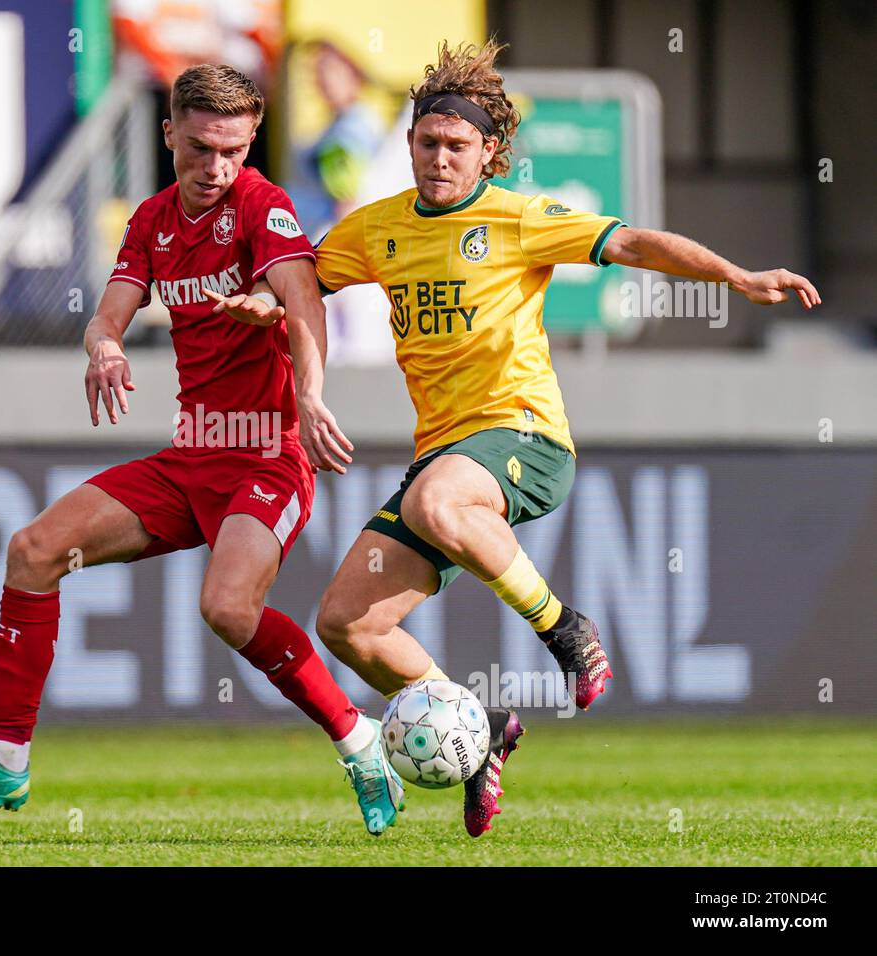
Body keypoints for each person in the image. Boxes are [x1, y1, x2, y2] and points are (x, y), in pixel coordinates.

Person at [213, 38, 820, 837]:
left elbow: (632, 243)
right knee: (346, 622)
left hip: (524, 439)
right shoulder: (377, 230)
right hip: (447, 464)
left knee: (434, 500)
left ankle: (565, 631)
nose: (439, 158)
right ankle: (481, 731)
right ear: (408, 145)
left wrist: (736, 277)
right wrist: (267, 302)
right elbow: (305, 284)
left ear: (488, 154)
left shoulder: (519, 218)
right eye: (427, 143)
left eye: (456, 146)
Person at [0, 63, 407, 836]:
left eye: (235, 151)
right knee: (33, 550)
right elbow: (108, 315)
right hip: (190, 457)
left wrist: (307, 396)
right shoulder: (151, 221)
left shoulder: (261, 207)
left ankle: (359, 738)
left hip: (267, 457)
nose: (218, 168)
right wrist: (104, 346)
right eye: (203, 148)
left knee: (226, 607)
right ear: (169, 133)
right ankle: (5, 762)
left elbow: (304, 299)